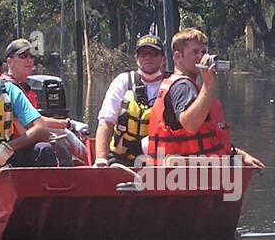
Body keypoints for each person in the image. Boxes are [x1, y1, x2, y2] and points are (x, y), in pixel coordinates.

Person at [146, 28, 264, 168]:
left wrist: (240, 155)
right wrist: (208, 84)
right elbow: (190, 125)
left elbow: (208, 137)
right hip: (184, 176)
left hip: (189, 171)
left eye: (203, 52)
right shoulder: (182, 86)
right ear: (178, 57)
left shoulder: (181, 84)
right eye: (195, 52)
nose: (201, 57)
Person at [0, 39, 88, 165]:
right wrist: (68, 125)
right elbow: (31, 124)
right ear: (10, 61)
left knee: (72, 154)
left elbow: (35, 119)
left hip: (29, 140)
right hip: (16, 147)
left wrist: (65, 128)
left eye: (31, 56)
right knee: (54, 148)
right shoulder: (6, 89)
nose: (29, 60)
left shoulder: (24, 87)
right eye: (23, 56)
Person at [93, 33, 168, 168]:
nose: (148, 57)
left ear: (163, 59)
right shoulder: (123, 81)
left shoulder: (173, 84)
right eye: (143, 54)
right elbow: (106, 121)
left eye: (153, 54)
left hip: (160, 162)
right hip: (121, 160)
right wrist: (101, 159)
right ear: (136, 58)